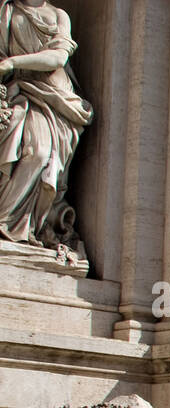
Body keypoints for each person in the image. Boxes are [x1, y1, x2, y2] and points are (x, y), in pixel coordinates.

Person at [0, 0, 93, 249]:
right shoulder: (7, 10)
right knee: (16, 135)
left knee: (40, 154)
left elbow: (58, 57)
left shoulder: (58, 14)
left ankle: (14, 224)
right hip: (19, 91)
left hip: (56, 98)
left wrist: (13, 63)